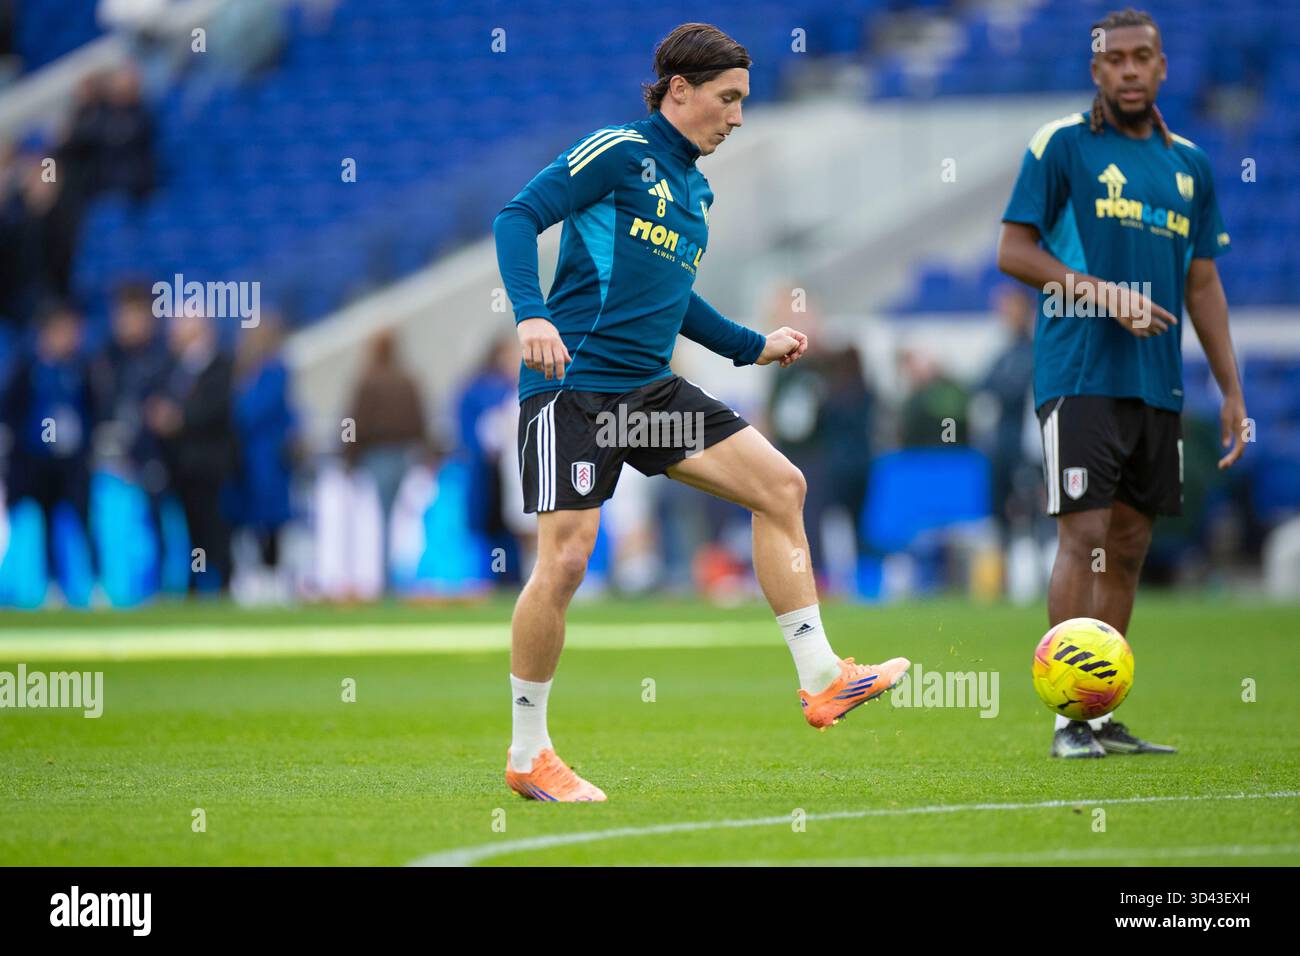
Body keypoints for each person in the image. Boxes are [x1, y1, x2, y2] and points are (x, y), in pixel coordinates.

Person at [492, 22, 909, 802]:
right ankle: (527, 753)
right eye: (728, 98)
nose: (738, 116)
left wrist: (752, 345)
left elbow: (673, 296)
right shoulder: (616, 151)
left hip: (648, 396)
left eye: (744, 100)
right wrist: (530, 313)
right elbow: (516, 216)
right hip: (573, 387)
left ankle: (822, 676)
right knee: (568, 561)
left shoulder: (696, 189)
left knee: (781, 487)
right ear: (678, 91)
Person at [997, 8, 1246, 758]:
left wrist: (1231, 391)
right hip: (1079, 372)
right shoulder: (1062, 146)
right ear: (1096, 70)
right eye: (1116, 60)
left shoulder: (1191, 166)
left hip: (1157, 383)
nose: (1131, 70)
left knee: (1132, 544)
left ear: (1163, 67)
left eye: (1144, 58)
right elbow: (1013, 250)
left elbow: (1203, 283)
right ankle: (1068, 719)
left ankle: (1102, 714)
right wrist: (1102, 292)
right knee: (1085, 534)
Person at [145, 312, 238, 593]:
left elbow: (217, 409)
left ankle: (222, 582)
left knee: (214, 529)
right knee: (186, 530)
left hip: (210, 467)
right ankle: (191, 585)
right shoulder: (171, 369)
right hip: (179, 467)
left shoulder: (221, 366)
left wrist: (178, 418)